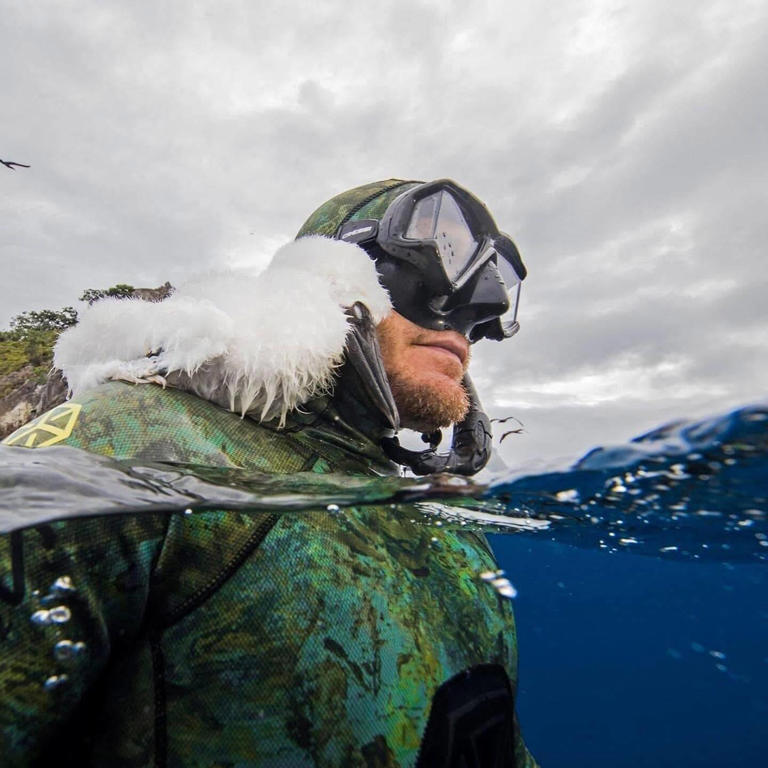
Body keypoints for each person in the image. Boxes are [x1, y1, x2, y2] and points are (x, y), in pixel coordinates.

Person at [0, 179, 537, 767]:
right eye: (444, 251)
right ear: (339, 277)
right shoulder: (139, 437)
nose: (482, 304)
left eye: (498, 284)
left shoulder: (453, 535)